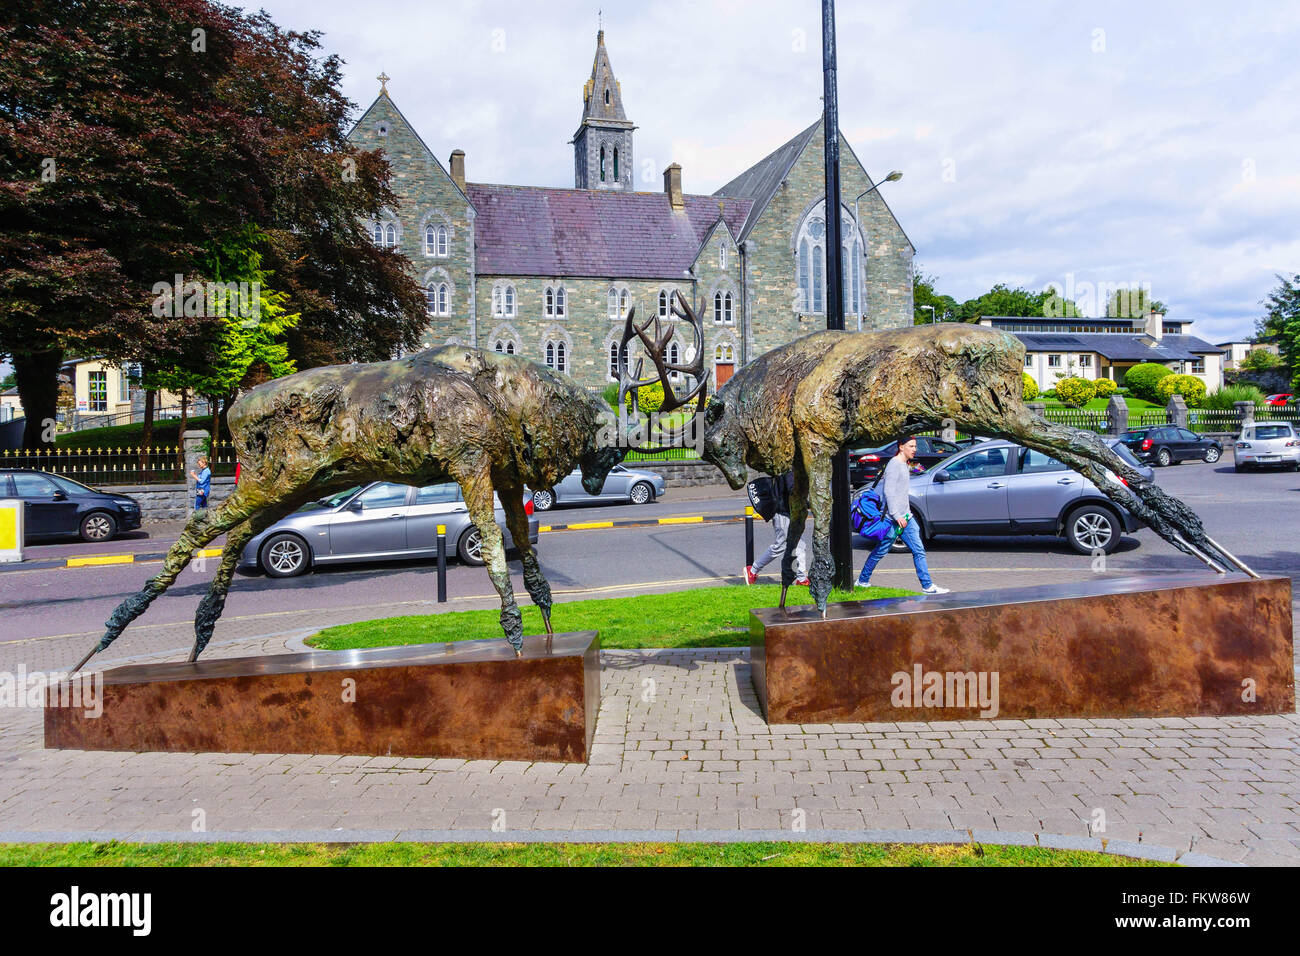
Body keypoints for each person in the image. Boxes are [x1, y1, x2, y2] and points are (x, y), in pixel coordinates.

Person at [856, 435, 949, 594]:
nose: (915, 449)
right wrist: (896, 515)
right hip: (895, 519)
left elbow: (906, 484)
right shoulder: (894, 465)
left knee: (915, 550)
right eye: (911, 446)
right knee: (882, 551)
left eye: (915, 446)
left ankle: (927, 586)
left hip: (906, 517)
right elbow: (889, 492)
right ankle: (862, 580)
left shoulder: (904, 464)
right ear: (901, 447)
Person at [744, 471, 810, 586]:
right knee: (780, 545)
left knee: (800, 544)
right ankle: (752, 570)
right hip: (783, 513)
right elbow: (792, 490)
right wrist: (807, 503)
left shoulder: (791, 467)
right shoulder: (790, 469)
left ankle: (801, 578)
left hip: (791, 513)